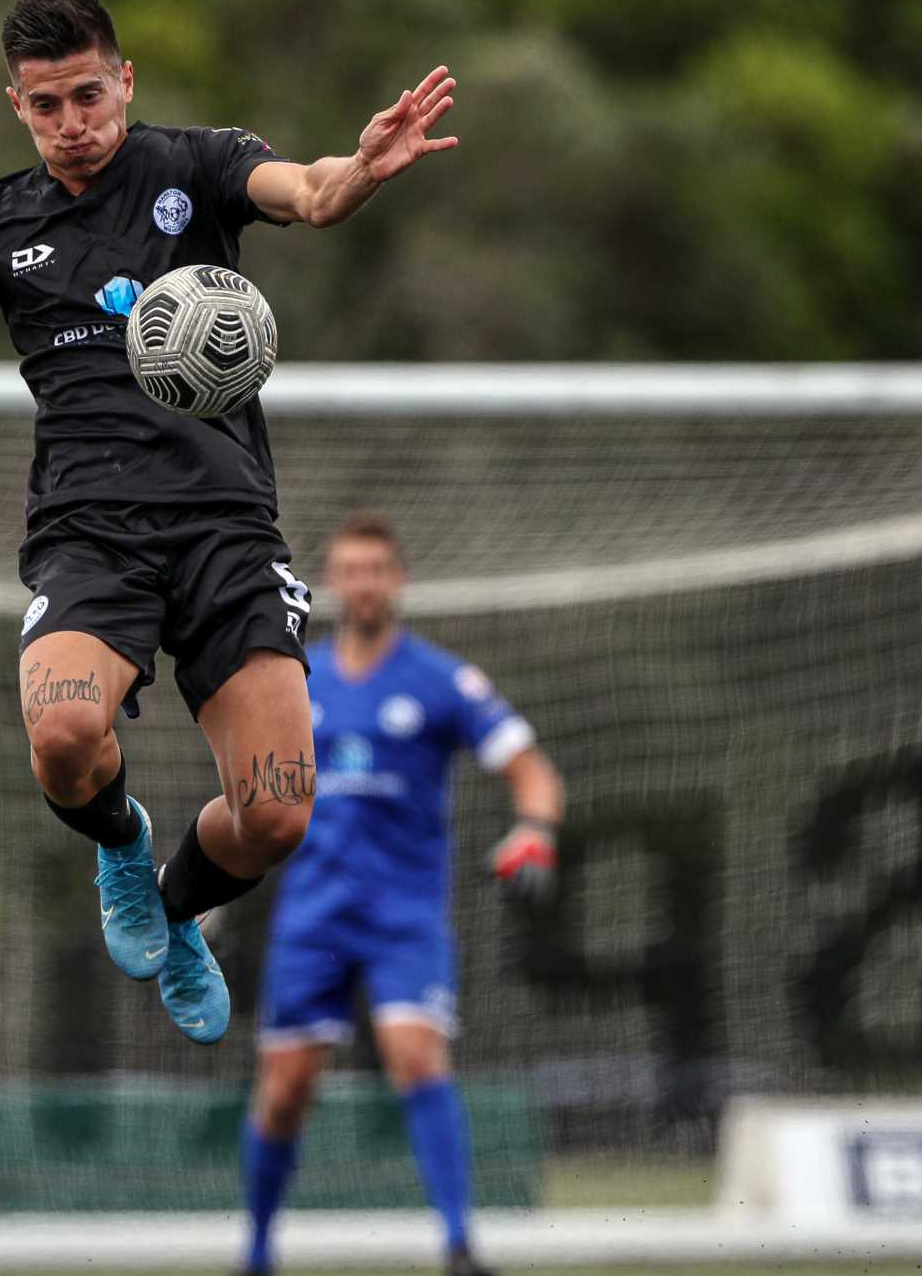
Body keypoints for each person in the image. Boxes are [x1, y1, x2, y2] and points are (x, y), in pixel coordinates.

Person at [0, 0, 460, 1044]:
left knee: (279, 812)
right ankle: (120, 842)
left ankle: (173, 903)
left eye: (87, 94)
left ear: (124, 81)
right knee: (65, 732)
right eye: (46, 104)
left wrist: (355, 171)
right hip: (89, 532)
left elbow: (304, 191)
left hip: (224, 530)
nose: (72, 120)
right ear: (16, 106)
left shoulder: (195, 167)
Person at [238, 512, 564, 1275]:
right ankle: (253, 1253)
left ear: (399, 579)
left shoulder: (442, 679)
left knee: (416, 1055)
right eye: (350, 570)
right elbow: (245, 791)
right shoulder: (295, 677)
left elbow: (533, 770)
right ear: (331, 582)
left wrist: (534, 830)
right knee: (284, 1091)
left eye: (377, 569)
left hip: (403, 913)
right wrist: (214, 885)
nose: (364, 583)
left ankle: (458, 1244)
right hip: (312, 914)